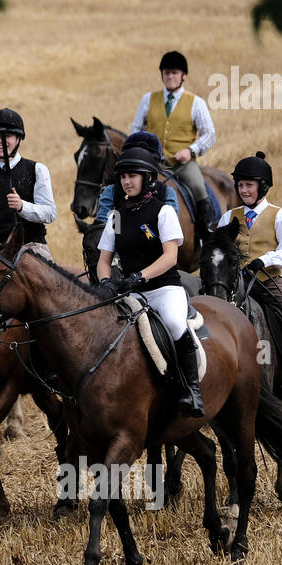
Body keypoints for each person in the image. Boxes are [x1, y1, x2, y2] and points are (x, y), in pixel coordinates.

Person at [95, 148, 203, 418]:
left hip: (164, 290)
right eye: (122, 177)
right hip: (132, 293)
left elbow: (170, 258)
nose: (126, 182)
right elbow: (103, 260)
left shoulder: (163, 212)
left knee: (176, 324)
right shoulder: (116, 216)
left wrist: (140, 276)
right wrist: (106, 281)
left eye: (132, 176)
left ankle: (192, 390)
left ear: (148, 179)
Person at [218, 152, 282, 393]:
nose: (243, 190)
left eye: (249, 185)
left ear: (262, 187)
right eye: (240, 185)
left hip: (268, 280)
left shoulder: (279, 215)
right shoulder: (228, 217)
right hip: (234, 282)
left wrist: (264, 260)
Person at [129, 50, 217, 233]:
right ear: (162, 74)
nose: (170, 76)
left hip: (182, 165)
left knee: (199, 188)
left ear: (183, 76)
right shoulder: (148, 100)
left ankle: (207, 234)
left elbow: (210, 134)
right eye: (167, 72)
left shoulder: (196, 103)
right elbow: (135, 129)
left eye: (174, 73)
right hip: (152, 164)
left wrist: (191, 151)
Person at [0, 108, 56, 259]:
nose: (1, 141)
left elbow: (50, 213)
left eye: (7, 136)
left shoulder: (38, 170)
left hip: (33, 247)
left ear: (18, 139)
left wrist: (23, 207)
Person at [94, 130, 180, 223]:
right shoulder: (111, 192)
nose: (126, 182)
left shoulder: (166, 193)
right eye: (124, 176)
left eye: (132, 175)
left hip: (180, 158)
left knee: (196, 186)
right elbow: (107, 229)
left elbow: (169, 230)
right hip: (119, 237)